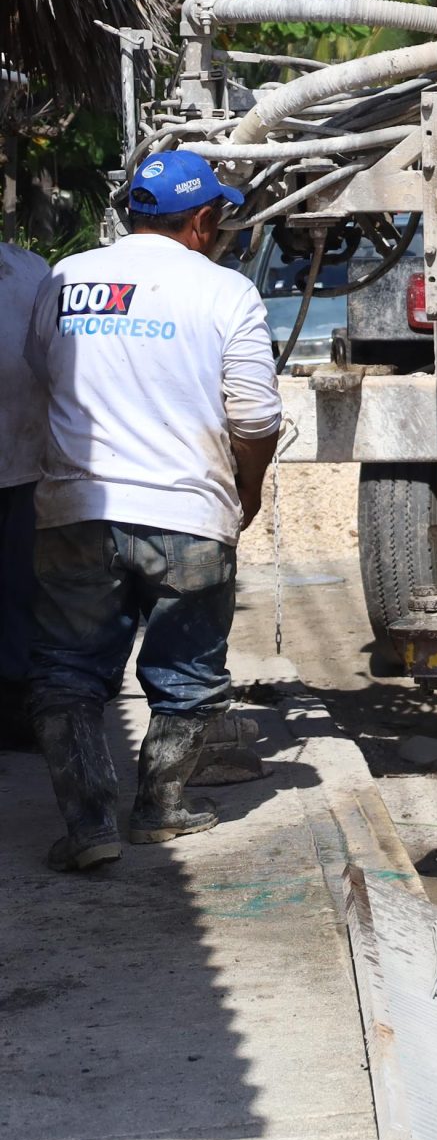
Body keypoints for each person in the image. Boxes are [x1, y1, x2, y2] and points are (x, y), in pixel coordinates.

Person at [23, 150, 282, 871]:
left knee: (69, 671)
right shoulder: (226, 293)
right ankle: (161, 807)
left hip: (76, 507)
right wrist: (247, 489)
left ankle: (88, 826)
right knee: (188, 670)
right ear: (202, 220)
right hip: (188, 513)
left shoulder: (67, 277)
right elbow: (256, 417)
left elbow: (46, 371)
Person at [0, 238, 48, 754]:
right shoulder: (31, 268)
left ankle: (15, 703)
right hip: (25, 460)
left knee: (21, 591)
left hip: (24, 465)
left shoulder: (30, 268)